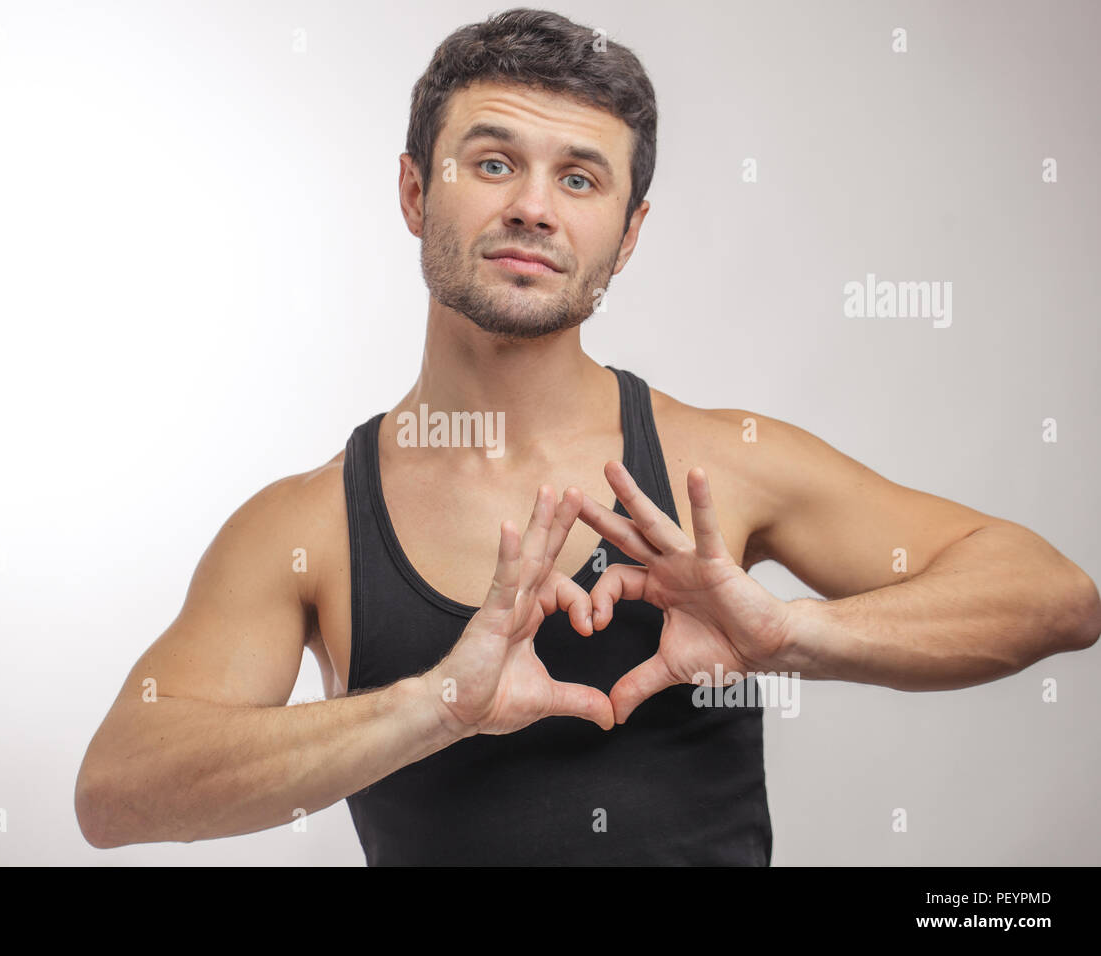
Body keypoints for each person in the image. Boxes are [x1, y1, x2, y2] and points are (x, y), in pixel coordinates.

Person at [73, 8, 1100, 864]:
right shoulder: (306, 527)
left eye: (579, 177)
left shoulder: (719, 463)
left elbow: (1055, 596)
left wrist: (791, 637)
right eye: (491, 161)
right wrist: (432, 705)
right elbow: (118, 790)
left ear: (628, 232)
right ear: (414, 191)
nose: (531, 206)